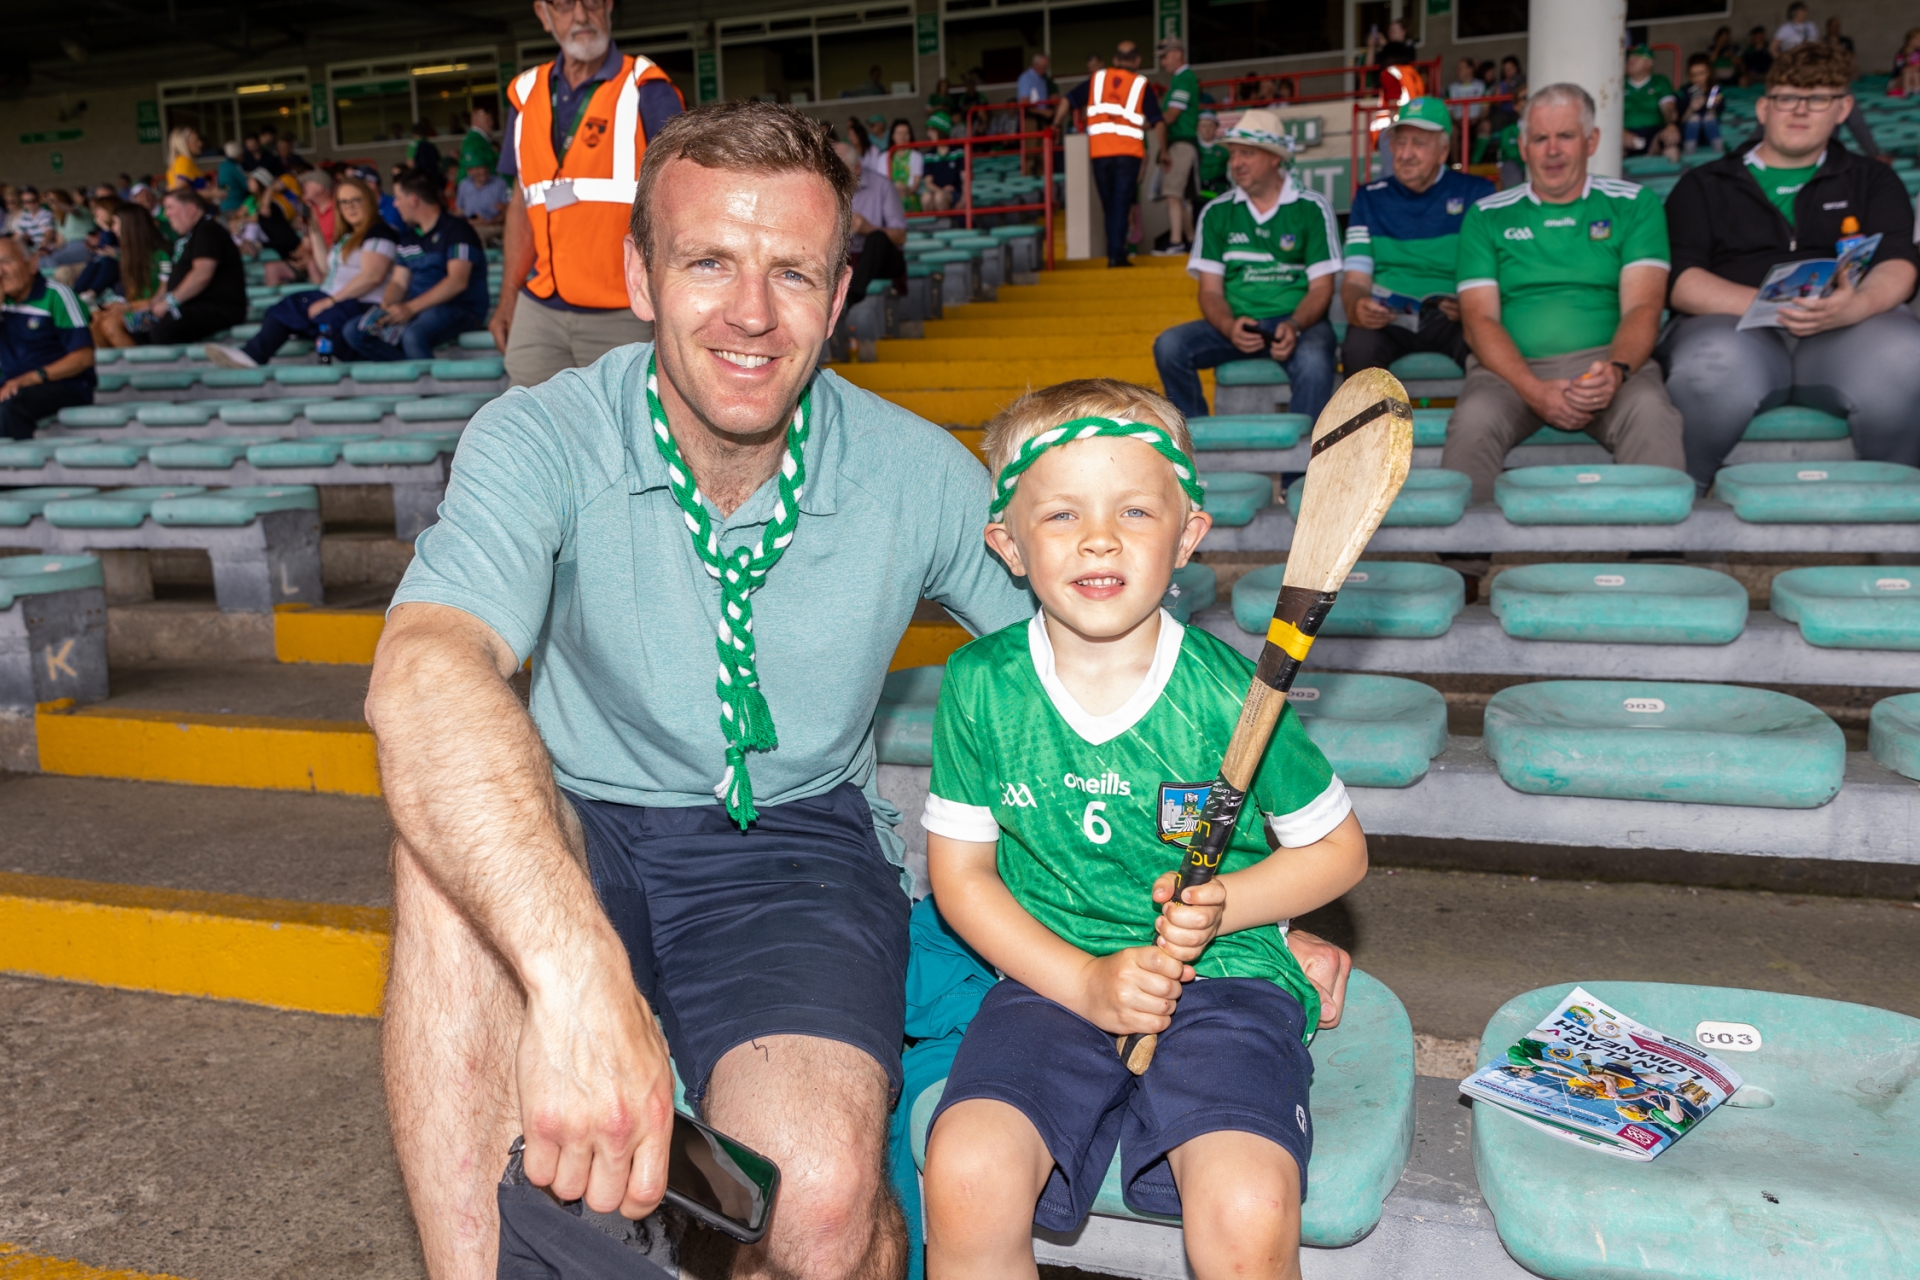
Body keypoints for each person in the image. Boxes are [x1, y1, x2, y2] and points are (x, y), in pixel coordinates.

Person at [920, 376, 1366, 1280]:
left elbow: (1338, 852)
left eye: (1133, 510)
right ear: (1007, 544)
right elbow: (961, 878)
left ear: (1188, 535)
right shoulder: (978, 686)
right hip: (1052, 973)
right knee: (966, 1172)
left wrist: (1229, 901)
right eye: (1061, 515)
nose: (1099, 538)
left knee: (1248, 1204)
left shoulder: (1234, 693)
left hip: (1226, 979)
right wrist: (1084, 982)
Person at [1660, 40, 1920, 482]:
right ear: (1763, 108)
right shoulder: (1705, 183)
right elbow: (1681, 278)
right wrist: (1773, 305)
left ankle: (1893, 503)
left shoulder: (1873, 179)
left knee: (1907, 353)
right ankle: (1682, 499)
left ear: (1843, 109)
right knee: (1710, 365)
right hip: (1735, 325)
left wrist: (1856, 305)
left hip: (1849, 331)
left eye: (1818, 98)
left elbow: (1898, 263)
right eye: (1786, 98)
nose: (1799, 110)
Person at [1443, 83, 1685, 500]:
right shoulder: (1487, 215)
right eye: (1540, 138)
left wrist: (1616, 370)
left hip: (1609, 362)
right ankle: (1465, 542)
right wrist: (1533, 390)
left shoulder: (1634, 204)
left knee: (1650, 411)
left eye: (1566, 136)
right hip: (1509, 371)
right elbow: (1478, 320)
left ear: (1592, 141)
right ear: (1523, 147)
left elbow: (1644, 307)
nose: (1552, 150)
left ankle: (1655, 536)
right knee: (1473, 419)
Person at [493, 0, 686, 385]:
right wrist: (508, 295)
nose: (581, 15)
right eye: (565, 5)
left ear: (609, 6)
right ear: (543, 14)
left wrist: (669, 305)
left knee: (625, 419)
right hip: (540, 309)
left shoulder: (645, 86)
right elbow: (522, 204)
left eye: (592, 2)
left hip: (624, 310)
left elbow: (683, 201)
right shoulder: (524, 93)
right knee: (527, 415)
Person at [1153, 108, 1340, 420]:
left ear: (1275, 157)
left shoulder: (1312, 207)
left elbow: (1322, 288)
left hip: (1297, 323)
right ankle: (1196, 442)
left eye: (1247, 153)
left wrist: (1294, 325)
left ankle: (1306, 452)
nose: (1236, 163)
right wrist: (1229, 326)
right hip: (1238, 323)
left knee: (1314, 359)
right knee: (1169, 346)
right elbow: (1210, 292)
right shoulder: (1216, 212)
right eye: (1233, 154)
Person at [1341, 97, 1494, 378]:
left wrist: (1471, 305)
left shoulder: (1477, 194)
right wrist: (1357, 305)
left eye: (1418, 144)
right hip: (1389, 320)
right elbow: (1356, 279)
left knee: (1487, 345)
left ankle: (1478, 409)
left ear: (1443, 151)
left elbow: (1495, 272)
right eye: (1400, 143)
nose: (1405, 154)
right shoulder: (1369, 198)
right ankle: (1375, 412)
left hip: (1454, 318)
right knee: (1358, 348)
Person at [209, 176, 398, 369]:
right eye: (343, 202)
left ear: (369, 201)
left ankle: (254, 355)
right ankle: (254, 354)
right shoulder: (348, 236)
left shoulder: (379, 232)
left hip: (360, 306)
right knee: (289, 308)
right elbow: (327, 269)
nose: (350, 207)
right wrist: (314, 231)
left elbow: (373, 276)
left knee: (298, 307)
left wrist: (331, 301)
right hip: (339, 302)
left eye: (356, 200)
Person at [341, 169, 487, 361]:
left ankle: (426, 380)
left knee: (413, 335)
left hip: (459, 309)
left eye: (398, 198)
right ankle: (409, 372)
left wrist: (410, 309)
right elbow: (398, 282)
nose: (395, 203)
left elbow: (457, 282)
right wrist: (387, 308)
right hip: (418, 310)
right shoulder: (409, 237)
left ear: (413, 200)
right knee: (354, 331)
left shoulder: (458, 230)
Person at [1055, 40, 1163, 268]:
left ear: (1115, 60)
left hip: (1100, 154)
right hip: (1128, 154)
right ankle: (1116, 254)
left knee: (1109, 205)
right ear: (1137, 61)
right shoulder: (1140, 84)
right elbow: (1158, 121)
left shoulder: (1097, 79)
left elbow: (1067, 100)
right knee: (1121, 204)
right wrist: (1163, 150)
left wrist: (1055, 125)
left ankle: (1115, 252)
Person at [0, 236, 94, 440]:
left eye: (5, 262)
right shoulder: (2, 302)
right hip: (12, 384)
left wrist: (32, 377)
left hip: (64, 384)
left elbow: (84, 357)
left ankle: (16, 460)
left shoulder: (57, 295)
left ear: (33, 263)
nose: (0, 272)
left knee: (10, 407)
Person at [139, 187, 248, 345]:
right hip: (192, 306)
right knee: (136, 328)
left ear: (191, 209)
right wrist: (152, 304)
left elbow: (202, 274)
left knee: (162, 331)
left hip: (218, 309)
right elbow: (172, 279)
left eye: (170, 207)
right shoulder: (189, 236)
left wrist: (169, 302)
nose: (166, 214)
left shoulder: (208, 230)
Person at [838, 137, 908, 309]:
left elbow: (901, 237)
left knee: (877, 237)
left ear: (856, 168)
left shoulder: (882, 186)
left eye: (839, 170)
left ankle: (851, 297)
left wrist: (868, 228)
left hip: (884, 259)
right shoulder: (829, 189)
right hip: (848, 258)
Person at [87, 202, 168, 350]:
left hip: (159, 311)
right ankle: (119, 364)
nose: (113, 228)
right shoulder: (129, 256)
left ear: (130, 226)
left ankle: (143, 364)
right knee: (95, 320)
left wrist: (127, 307)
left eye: (116, 223)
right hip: (136, 307)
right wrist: (121, 306)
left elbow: (162, 296)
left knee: (110, 324)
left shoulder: (162, 254)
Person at [1155, 37, 1201, 256]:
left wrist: (1152, 121)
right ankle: (1191, 241)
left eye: (1165, 57)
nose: (1163, 62)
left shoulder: (1183, 79)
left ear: (1178, 54)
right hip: (1183, 143)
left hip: (1181, 143)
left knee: (1173, 194)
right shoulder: (1181, 79)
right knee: (1179, 196)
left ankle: (1176, 242)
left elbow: (1172, 115)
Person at [1623, 45, 1681, 162]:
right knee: (1610, 146)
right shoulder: (1618, 83)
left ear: (1649, 63)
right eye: (1629, 58)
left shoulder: (1660, 81)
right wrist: (1620, 133)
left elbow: (1668, 108)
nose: (1631, 61)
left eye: (1636, 58)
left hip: (1654, 133)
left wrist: (1671, 125)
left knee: (1671, 145)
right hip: (1625, 133)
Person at [1679, 53, 1726, 154]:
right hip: (1688, 134)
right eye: (1693, 75)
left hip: (1709, 134)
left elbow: (1717, 115)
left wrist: (1712, 106)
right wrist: (1691, 108)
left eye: (1701, 73)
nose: (1698, 78)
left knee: (1709, 117)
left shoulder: (1715, 90)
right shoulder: (1684, 91)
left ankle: (1719, 150)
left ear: (1709, 72)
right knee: (1694, 118)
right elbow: (1679, 121)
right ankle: (1689, 152)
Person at [456, 164, 511, 244]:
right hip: (469, 223)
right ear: (469, 171)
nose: (482, 171)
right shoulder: (464, 184)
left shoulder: (500, 183)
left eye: (484, 167)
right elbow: (459, 210)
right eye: (477, 168)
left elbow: (508, 212)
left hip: (492, 224)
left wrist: (488, 222)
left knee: (475, 235)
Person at [920, 111, 962, 212]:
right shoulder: (929, 155)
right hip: (937, 191)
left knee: (940, 197)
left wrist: (964, 200)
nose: (929, 134)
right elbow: (928, 183)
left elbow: (965, 180)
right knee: (925, 197)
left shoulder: (958, 152)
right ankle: (932, 223)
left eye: (932, 131)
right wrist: (942, 191)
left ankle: (945, 222)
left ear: (941, 131)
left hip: (955, 193)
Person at [885, 120, 923, 209]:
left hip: (910, 196)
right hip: (889, 196)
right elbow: (882, 182)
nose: (902, 137)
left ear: (910, 135)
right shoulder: (883, 157)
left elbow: (916, 182)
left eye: (906, 133)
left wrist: (907, 192)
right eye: (899, 133)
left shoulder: (917, 156)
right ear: (892, 136)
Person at [1194, 110, 1229, 203]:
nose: (1207, 129)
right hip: (1198, 194)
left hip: (1220, 193)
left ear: (1216, 127)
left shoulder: (1224, 148)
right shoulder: (1192, 148)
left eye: (1210, 125)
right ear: (1198, 127)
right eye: (1203, 125)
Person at [9, 186, 55, 255]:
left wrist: (41, 249)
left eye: (34, 200)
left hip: (48, 250)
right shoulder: (26, 216)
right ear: (23, 204)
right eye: (27, 202)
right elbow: (17, 235)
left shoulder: (45, 214)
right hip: (36, 249)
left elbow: (49, 234)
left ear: (39, 200)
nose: (31, 204)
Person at [460, 103, 500, 176]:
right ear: (475, 121)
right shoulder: (473, 140)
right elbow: (475, 166)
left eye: (491, 120)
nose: (491, 123)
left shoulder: (481, 139)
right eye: (487, 120)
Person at [1448, 57, 1488, 125]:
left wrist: (1478, 119)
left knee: (1485, 125)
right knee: (1451, 129)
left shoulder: (1482, 86)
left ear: (1470, 69)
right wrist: (1456, 121)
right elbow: (1449, 111)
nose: (1457, 71)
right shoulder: (1450, 88)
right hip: (1457, 123)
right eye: (1457, 69)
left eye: (1460, 68)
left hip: (1477, 122)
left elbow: (1485, 108)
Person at [166, 128, 207, 193]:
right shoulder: (183, 161)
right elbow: (179, 191)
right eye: (196, 141)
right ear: (185, 144)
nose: (200, 144)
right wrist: (210, 193)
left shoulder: (178, 161)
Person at [215, 141, 249, 213]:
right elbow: (246, 185)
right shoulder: (234, 166)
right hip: (237, 206)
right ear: (238, 154)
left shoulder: (222, 166)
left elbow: (222, 185)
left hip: (224, 206)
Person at [1892, 29, 1920, 97]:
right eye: (1916, 39)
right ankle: (1906, 91)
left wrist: (1917, 67)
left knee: (1916, 74)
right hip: (1903, 76)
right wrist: (1907, 55)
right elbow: (1898, 69)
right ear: (1909, 41)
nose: (1918, 41)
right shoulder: (1902, 52)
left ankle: (1916, 90)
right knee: (1908, 73)